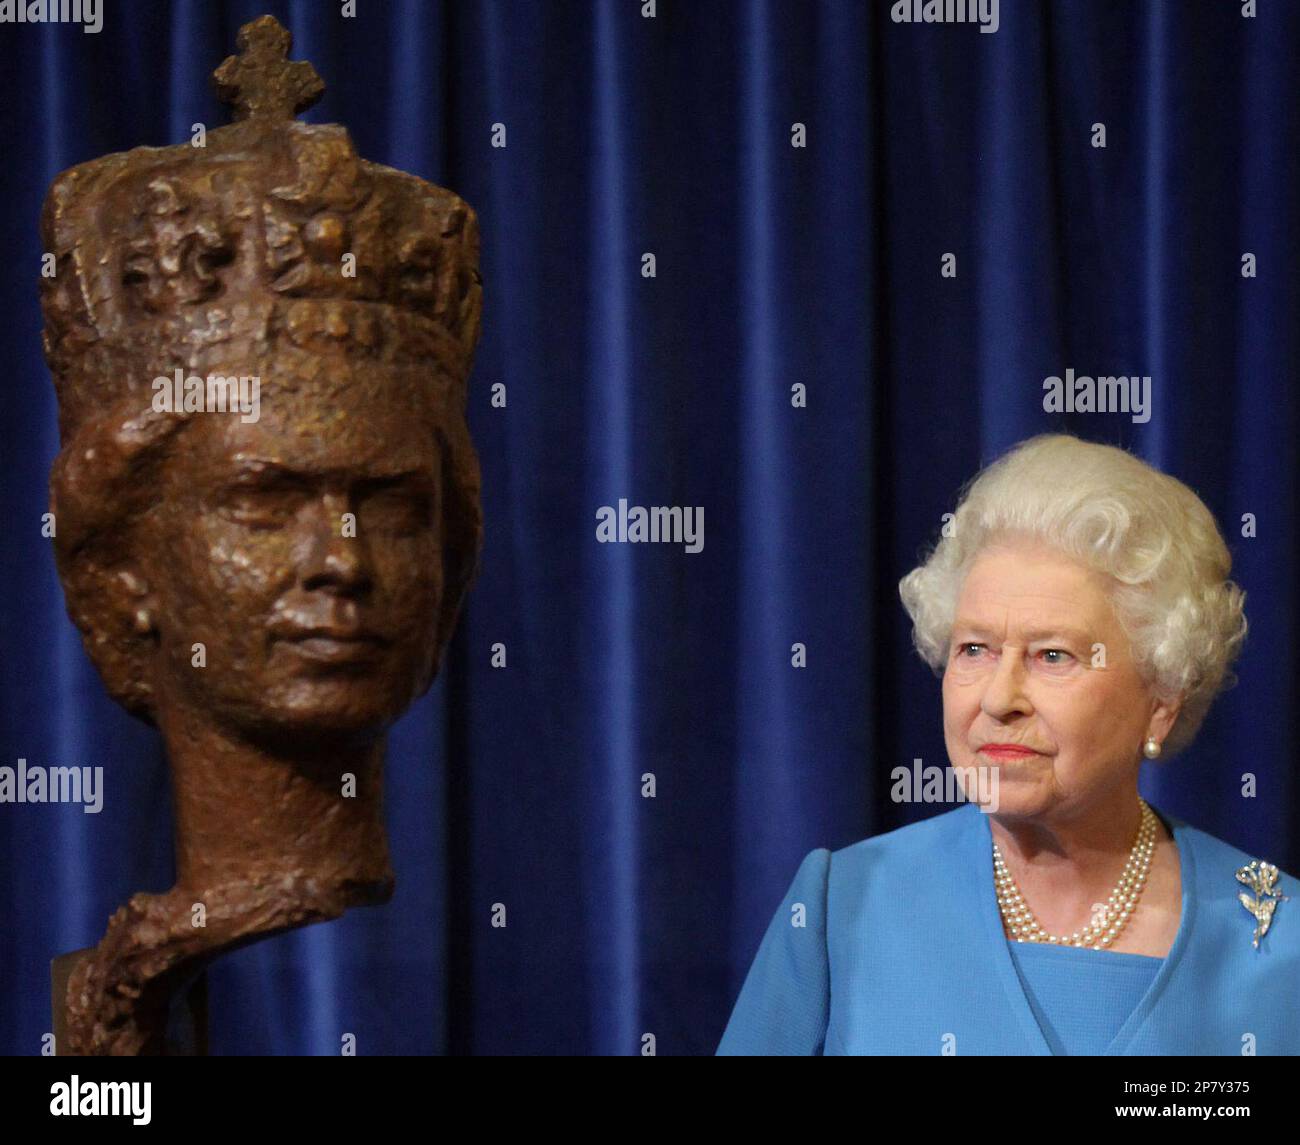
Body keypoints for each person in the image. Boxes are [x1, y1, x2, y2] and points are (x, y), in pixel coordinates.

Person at [718, 433, 1298, 1055]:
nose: (999, 699)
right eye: (974, 649)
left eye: (1053, 655)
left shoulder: (1276, 935)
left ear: (1162, 699)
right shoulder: (839, 912)